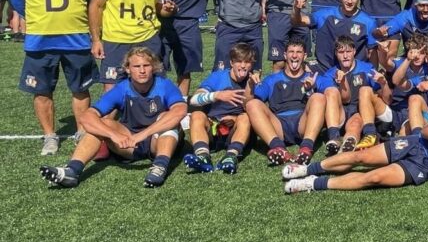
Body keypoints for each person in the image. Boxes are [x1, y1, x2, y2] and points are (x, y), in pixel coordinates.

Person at [281, 81, 428, 194]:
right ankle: (307, 169)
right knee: (361, 156)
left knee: (373, 178)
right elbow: (426, 132)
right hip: (417, 143)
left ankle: (311, 184)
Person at [9, 0, 98, 155]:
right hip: (40, 40)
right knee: (42, 90)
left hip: (77, 39)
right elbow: (18, 1)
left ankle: (81, 130)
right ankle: (50, 135)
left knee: (80, 88)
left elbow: (95, 1)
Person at [39, 47, 185, 188]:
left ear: (153, 67)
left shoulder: (164, 85)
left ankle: (159, 167)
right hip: (129, 144)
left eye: (146, 65)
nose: (142, 70)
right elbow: (87, 117)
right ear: (128, 69)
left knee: (168, 117)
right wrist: (113, 135)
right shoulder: (122, 88)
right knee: (101, 123)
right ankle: (72, 170)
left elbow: (180, 111)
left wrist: (142, 135)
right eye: (136, 66)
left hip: (159, 142)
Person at [245, 38, 326, 166]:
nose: (294, 55)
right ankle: (278, 147)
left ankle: (306, 148)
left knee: (318, 98)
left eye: (299, 52)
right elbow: (248, 104)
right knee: (252, 104)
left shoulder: (314, 78)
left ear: (305, 56)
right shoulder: (272, 79)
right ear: (285, 55)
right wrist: (250, 85)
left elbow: (335, 96)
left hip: (303, 123)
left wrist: (312, 90)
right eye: (291, 52)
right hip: (278, 125)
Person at [183, 42, 258, 174]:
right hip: (213, 128)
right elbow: (194, 100)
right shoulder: (218, 77)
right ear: (231, 63)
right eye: (238, 61)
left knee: (245, 117)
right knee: (197, 115)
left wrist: (235, 118)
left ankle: (231, 157)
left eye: (247, 62)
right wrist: (217, 95)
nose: (242, 65)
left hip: (236, 131)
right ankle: (203, 156)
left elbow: (255, 111)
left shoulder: (254, 81)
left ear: (252, 64)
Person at [317, 35, 391, 154]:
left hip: (362, 112)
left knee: (356, 121)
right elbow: (345, 100)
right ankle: (334, 137)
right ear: (336, 53)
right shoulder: (330, 74)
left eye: (348, 51)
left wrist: (384, 84)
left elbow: (387, 100)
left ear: (354, 51)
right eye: (341, 52)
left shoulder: (366, 69)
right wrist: (342, 83)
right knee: (330, 92)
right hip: (340, 114)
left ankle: (348, 145)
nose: (345, 56)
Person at [292, 0, 378, 70]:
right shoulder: (326, 15)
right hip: (324, 69)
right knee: (296, 70)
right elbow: (297, 21)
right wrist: (297, 9)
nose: (349, 1)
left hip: (352, 73)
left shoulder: (368, 22)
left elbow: (372, 52)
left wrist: (374, 76)